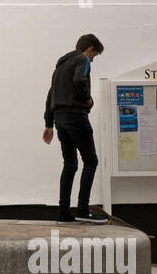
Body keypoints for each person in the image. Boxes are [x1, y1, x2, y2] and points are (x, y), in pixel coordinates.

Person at [42, 34, 109, 224]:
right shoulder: (82, 59)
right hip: (76, 116)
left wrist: (48, 123)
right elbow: (80, 80)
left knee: (70, 164)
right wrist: (87, 99)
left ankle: (63, 212)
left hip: (60, 119)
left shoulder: (59, 68)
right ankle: (82, 209)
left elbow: (50, 96)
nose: (93, 59)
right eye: (94, 55)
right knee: (91, 161)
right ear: (90, 49)